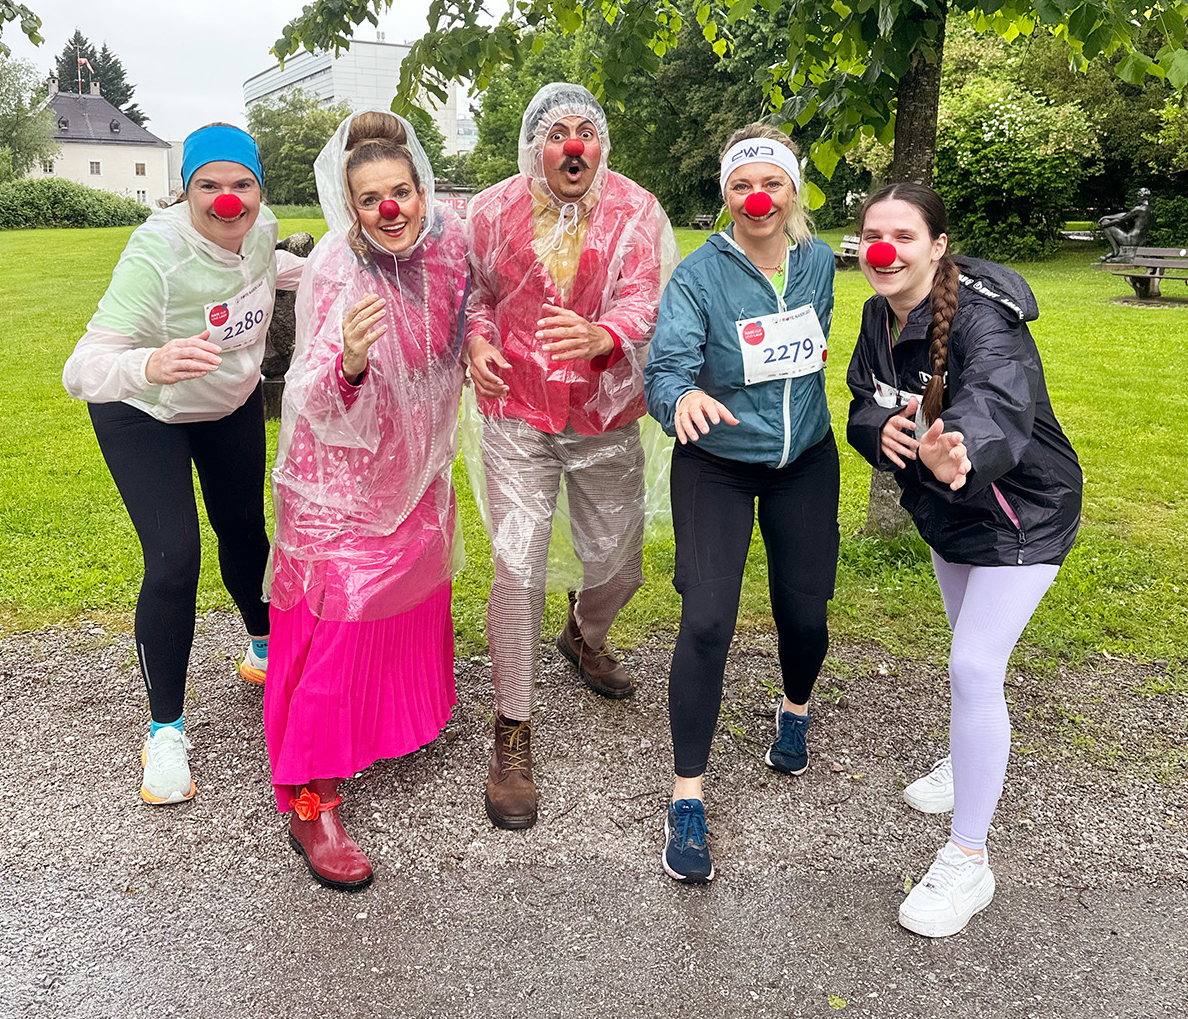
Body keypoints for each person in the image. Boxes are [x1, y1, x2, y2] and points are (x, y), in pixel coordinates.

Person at [846, 182, 1082, 938]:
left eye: (903, 236)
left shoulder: (985, 318)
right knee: (968, 657)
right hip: (947, 511)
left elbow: (999, 402)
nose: (884, 251)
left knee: (974, 667)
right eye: (873, 236)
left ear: (937, 246)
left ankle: (969, 859)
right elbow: (864, 396)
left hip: (1021, 511)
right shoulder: (877, 315)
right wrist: (879, 427)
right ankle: (966, 756)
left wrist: (962, 449)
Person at [63, 124, 305, 806]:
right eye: (209, 186)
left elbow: (271, 269)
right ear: (186, 191)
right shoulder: (156, 253)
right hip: (145, 409)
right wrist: (151, 362)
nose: (228, 200)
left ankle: (264, 647)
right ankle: (164, 730)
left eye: (242, 185)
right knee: (174, 557)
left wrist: (335, 270)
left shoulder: (262, 229)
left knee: (245, 532)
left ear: (260, 190)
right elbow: (81, 367)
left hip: (227, 404)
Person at [464, 82, 678, 830]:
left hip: (600, 410)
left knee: (619, 564)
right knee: (516, 566)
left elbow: (646, 295)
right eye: (557, 133)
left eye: (585, 130)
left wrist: (606, 334)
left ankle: (583, 637)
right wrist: (478, 341)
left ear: (602, 145)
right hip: (518, 410)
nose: (573, 145)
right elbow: (474, 294)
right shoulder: (490, 211)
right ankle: (512, 733)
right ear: (536, 146)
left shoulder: (635, 210)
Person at [265, 110, 468, 890]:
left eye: (402, 193)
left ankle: (392, 723)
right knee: (346, 611)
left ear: (423, 192)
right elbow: (311, 398)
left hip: (413, 470)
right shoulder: (337, 270)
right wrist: (349, 361)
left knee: (413, 589)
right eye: (372, 199)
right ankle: (310, 799)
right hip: (339, 482)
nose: (391, 209)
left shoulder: (445, 250)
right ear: (349, 208)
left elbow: (480, 295)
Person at [645, 124, 839, 885]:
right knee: (707, 619)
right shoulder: (698, 277)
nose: (758, 199)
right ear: (726, 195)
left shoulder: (818, 261)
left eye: (772, 184)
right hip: (716, 465)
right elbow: (665, 368)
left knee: (806, 614)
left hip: (804, 461)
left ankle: (795, 710)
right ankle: (686, 796)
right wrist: (682, 397)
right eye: (741, 186)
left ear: (793, 192)